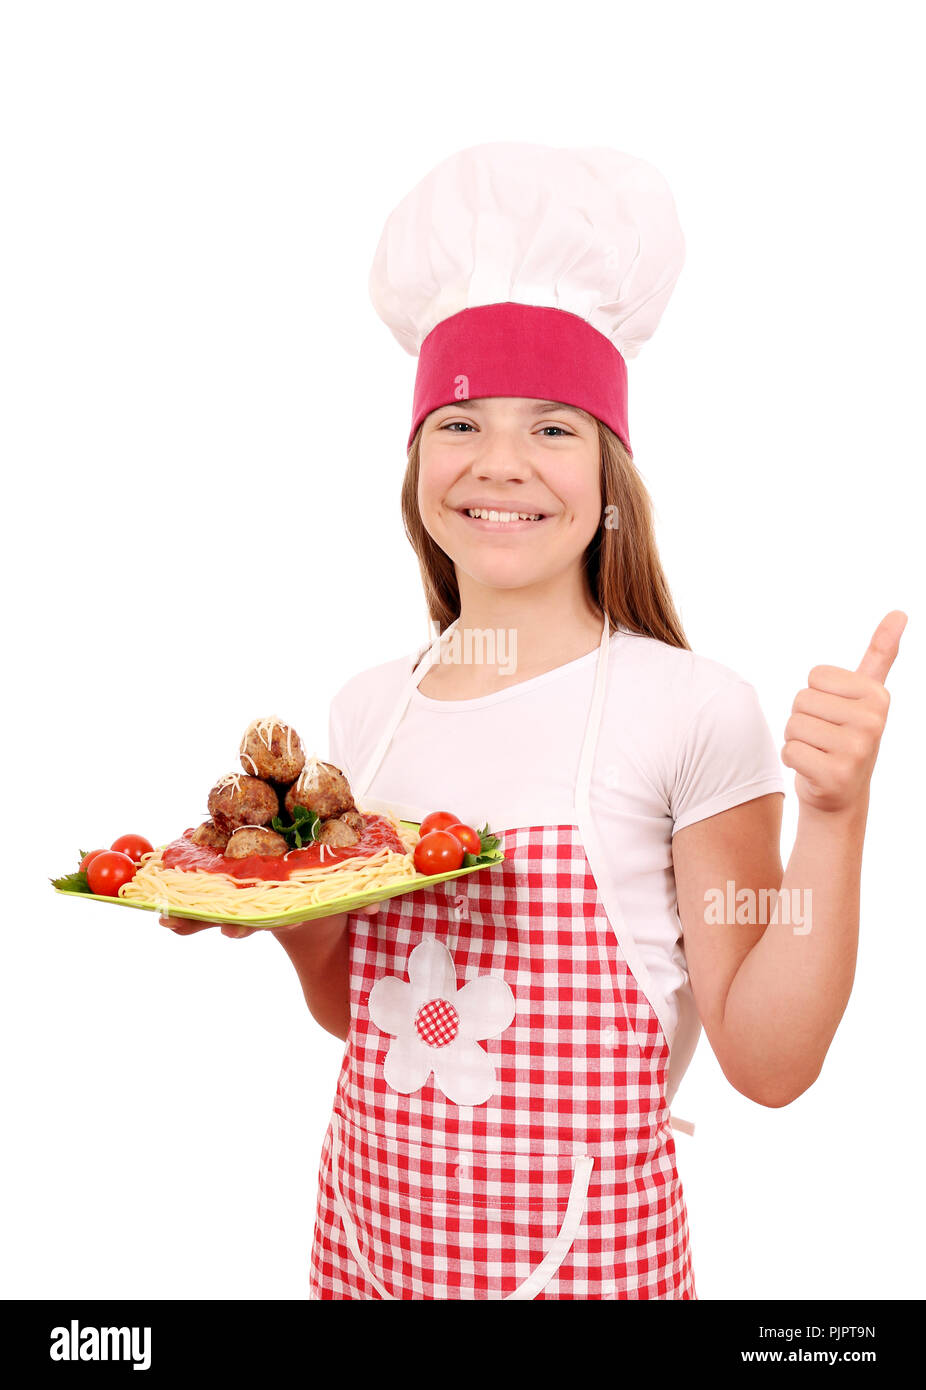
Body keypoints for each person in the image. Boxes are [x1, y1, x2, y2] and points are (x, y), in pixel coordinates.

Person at [161, 142, 906, 1300]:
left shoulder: (689, 708)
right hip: (365, 1252)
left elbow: (768, 1062)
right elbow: (355, 1011)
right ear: (415, 461)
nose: (499, 462)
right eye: (459, 424)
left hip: (586, 1267)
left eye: (551, 426)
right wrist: (276, 910)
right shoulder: (369, 707)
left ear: (610, 476)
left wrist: (833, 814)